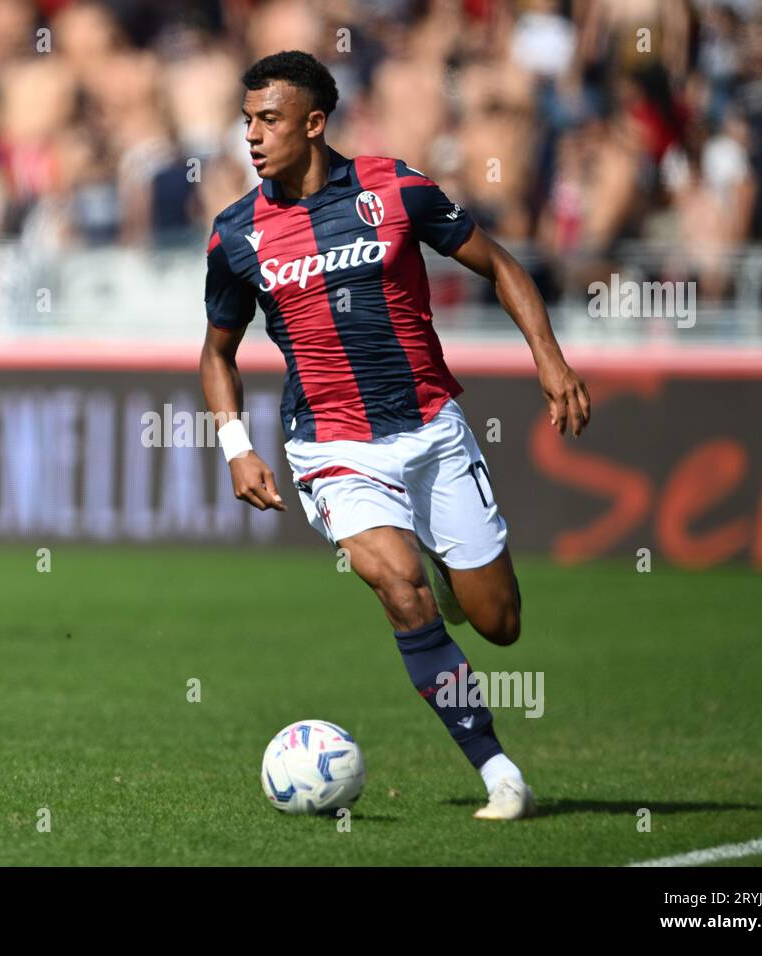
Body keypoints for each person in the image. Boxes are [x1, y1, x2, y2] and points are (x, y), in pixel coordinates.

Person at [200, 51, 591, 820]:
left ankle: (451, 568)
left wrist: (549, 358)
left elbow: (501, 264)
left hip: (431, 431)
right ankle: (499, 771)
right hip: (331, 446)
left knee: (500, 626)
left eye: (268, 119)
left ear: (313, 124)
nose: (251, 135)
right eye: (246, 119)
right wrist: (236, 447)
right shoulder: (236, 234)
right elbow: (216, 353)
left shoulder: (396, 189)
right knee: (399, 589)